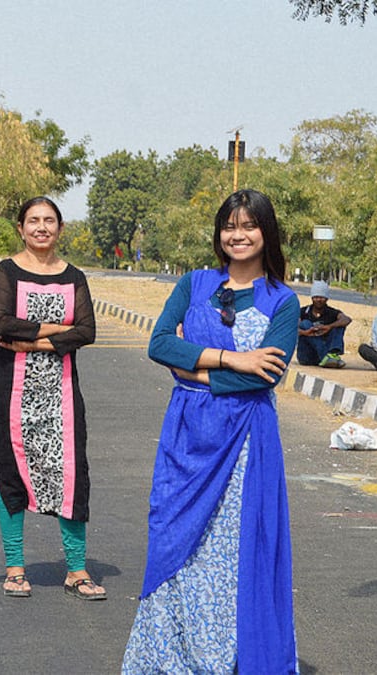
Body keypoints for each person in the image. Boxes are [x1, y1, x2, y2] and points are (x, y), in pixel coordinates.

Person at [122, 189, 299, 673]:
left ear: (266, 232)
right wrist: (230, 358)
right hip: (186, 437)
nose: (238, 236)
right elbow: (160, 344)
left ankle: (231, 659)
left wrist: (192, 370)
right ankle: (170, 658)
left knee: (235, 549)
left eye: (249, 226)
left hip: (245, 444)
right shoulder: (194, 283)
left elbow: (265, 376)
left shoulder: (283, 302)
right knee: (173, 540)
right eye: (229, 226)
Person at [0, 196, 104, 600]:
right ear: (21, 228)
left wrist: (34, 342)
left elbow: (87, 331)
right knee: (8, 471)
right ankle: (15, 568)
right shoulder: (6, 271)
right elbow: (3, 323)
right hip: (10, 389)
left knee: (70, 473)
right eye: (33, 220)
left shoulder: (74, 277)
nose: (41, 227)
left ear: (60, 228)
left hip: (59, 392)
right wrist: (60, 329)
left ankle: (76, 570)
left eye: (49, 220)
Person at [297, 279, 351, 368]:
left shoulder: (332, 312)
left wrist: (329, 327)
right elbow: (292, 328)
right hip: (307, 356)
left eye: (322, 297)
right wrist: (305, 332)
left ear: (326, 298)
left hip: (326, 347)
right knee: (305, 324)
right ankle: (326, 358)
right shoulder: (304, 312)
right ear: (312, 298)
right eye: (316, 297)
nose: (319, 300)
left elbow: (347, 319)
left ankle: (330, 356)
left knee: (339, 324)